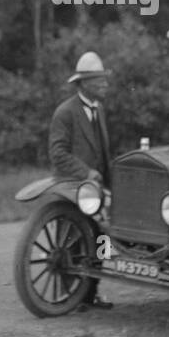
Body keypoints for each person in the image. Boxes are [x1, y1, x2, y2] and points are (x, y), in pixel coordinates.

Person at [48, 51, 114, 310]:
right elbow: (58, 154)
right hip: (72, 188)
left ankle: (90, 293)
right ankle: (71, 296)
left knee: (101, 238)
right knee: (72, 241)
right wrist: (86, 173)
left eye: (105, 80)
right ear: (84, 83)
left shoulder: (100, 110)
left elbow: (103, 152)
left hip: (97, 189)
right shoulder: (65, 112)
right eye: (100, 80)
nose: (105, 85)